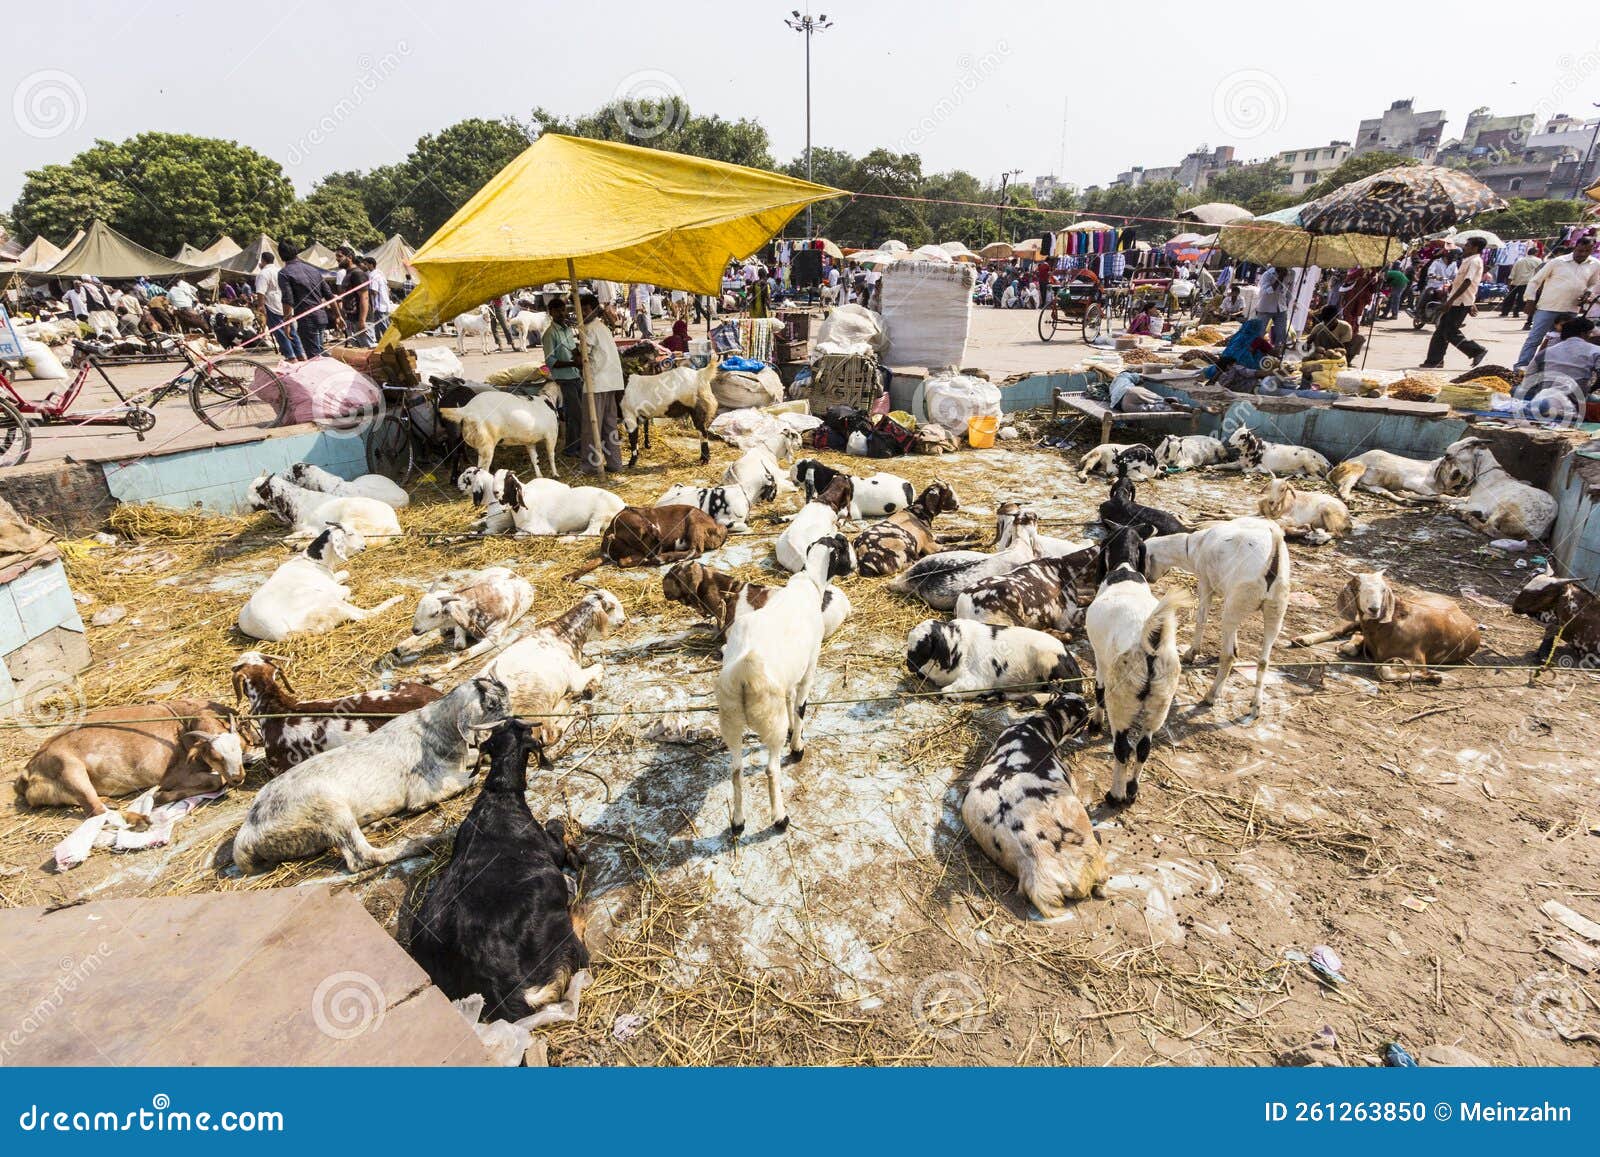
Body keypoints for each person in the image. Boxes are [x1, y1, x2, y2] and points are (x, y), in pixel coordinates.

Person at [1516, 236, 1599, 370]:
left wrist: (1588, 293)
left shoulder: (1595, 264)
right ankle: (1521, 367)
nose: (1582, 254)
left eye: (1586, 251)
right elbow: (1535, 281)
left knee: (1566, 342)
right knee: (1534, 339)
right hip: (1548, 307)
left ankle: (1553, 368)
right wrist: (1530, 300)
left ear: (1592, 250)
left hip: (1571, 310)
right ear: (1575, 248)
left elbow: (1593, 283)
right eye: (1580, 251)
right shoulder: (1558, 261)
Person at [1422, 236, 1488, 369]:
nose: (1465, 247)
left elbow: (1468, 282)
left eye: (1468, 245)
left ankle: (1476, 350)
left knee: (1450, 332)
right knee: (1441, 332)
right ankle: (1434, 360)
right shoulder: (1467, 260)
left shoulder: (1475, 261)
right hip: (1458, 300)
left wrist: (1450, 302)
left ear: (1475, 248)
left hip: (1460, 302)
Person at [578, 292, 624, 475]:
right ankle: (614, 463)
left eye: (586, 310)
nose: (583, 313)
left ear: (595, 310)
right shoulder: (602, 327)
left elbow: (584, 356)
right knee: (609, 425)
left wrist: (575, 354)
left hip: (597, 382)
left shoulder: (589, 328)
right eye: (580, 310)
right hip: (610, 381)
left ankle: (590, 466)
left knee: (591, 427)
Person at [1526, 316, 1600, 416]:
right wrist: (1591, 389)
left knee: (1517, 390)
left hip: (1544, 398)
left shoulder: (1547, 351)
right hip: (1573, 402)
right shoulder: (1595, 350)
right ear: (1584, 334)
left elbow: (1529, 375)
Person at [541, 297, 584, 459]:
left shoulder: (566, 329)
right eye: (557, 310)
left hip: (575, 376)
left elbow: (573, 350)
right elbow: (551, 361)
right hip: (564, 378)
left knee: (581, 413)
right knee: (575, 414)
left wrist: (581, 356)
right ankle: (571, 449)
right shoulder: (549, 334)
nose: (561, 313)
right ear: (550, 313)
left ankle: (579, 445)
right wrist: (573, 363)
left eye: (563, 310)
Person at [277, 250, 334, 358]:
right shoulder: (313, 270)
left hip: (307, 319)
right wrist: (338, 315)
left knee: (314, 355)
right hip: (321, 316)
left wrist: (287, 324)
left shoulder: (284, 273)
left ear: (281, 257)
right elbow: (329, 294)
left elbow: (287, 300)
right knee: (319, 351)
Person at [255, 252, 303, 361]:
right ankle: (300, 353)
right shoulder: (280, 271)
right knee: (291, 330)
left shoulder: (263, 273)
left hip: (272, 305)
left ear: (263, 261)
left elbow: (260, 291)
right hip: (286, 304)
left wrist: (261, 305)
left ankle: (290, 356)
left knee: (280, 332)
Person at [1501, 247, 1544, 320]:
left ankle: (1505, 312)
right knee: (1522, 298)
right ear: (1536, 253)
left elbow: (1513, 272)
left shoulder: (1519, 260)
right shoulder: (1538, 261)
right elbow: (1540, 272)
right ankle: (1516, 311)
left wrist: (1509, 282)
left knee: (1510, 298)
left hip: (1515, 282)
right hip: (1527, 282)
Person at [1256, 267, 1288, 351]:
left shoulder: (1291, 274)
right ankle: (1256, 350)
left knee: (1281, 332)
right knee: (1260, 331)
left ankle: (1278, 351)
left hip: (1281, 307)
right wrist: (1279, 278)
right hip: (1266, 307)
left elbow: (1288, 291)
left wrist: (1287, 304)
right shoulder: (1267, 274)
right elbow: (1268, 291)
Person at [362, 256, 391, 343]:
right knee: (378, 327)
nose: (364, 266)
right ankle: (381, 343)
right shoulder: (380, 273)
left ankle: (389, 343)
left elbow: (374, 291)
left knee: (384, 327)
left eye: (365, 264)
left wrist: (363, 292)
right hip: (384, 304)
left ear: (371, 265)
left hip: (379, 306)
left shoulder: (373, 276)